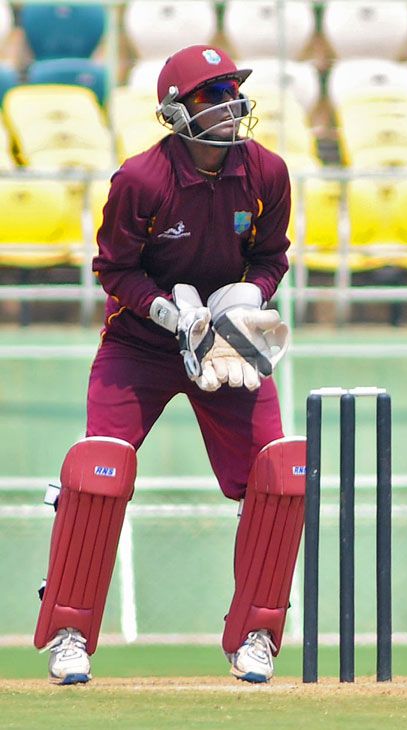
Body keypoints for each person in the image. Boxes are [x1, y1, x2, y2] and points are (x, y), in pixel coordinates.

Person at [33, 45, 306, 685]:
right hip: (143, 344)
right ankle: (69, 631)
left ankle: (258, 636)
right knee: (99, 468)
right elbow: (114, 269)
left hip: (226, 340)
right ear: (176, 112)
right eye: (213, 95)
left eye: (234, 90)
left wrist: (248, 298)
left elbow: (272, 255)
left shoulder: (267, 171)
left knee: (281, 476)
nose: (231, 104)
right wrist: (170, 315)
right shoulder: (141, 181)